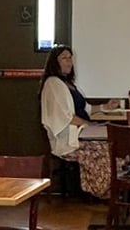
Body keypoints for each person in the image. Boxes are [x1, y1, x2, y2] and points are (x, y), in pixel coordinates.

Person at [40, 45, 118, 200]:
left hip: (83, 133)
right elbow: (67, 118)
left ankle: (114, 189)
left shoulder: (68, 84)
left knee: (113, 145)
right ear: (55, 62)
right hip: (68, 141)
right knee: (105, 148)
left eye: (70, 58)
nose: (69, 61)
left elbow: (86, 108)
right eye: (64, 58)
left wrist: (106, 107)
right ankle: (104, 191)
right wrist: (91, 127)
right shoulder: (53, 84)